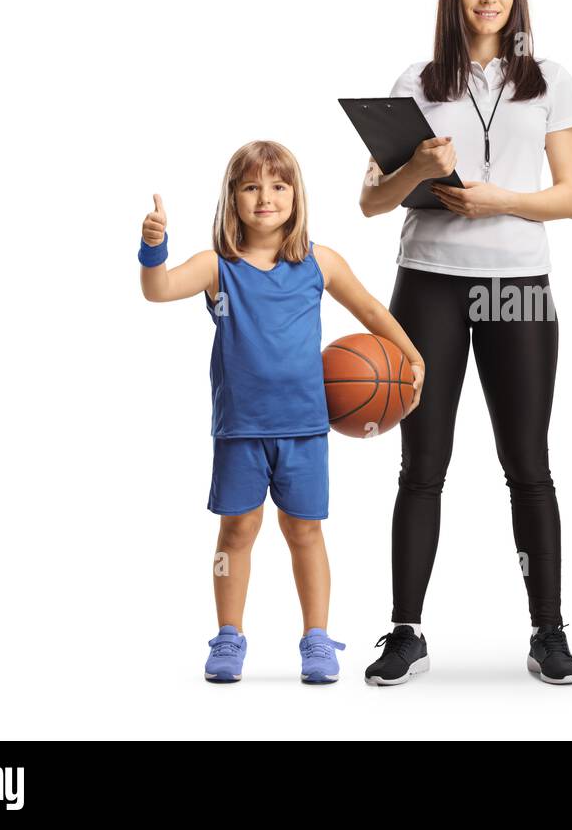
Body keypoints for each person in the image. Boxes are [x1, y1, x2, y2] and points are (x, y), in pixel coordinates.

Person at [357, 0, 572, 685]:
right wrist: (418, 166)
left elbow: (570, 198)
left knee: (529, 464)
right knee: (421, 466)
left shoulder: (548, 79)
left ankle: (548, 632)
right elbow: (369, 200)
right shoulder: (415, 80)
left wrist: (499, 201)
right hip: (428, 281)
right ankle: (404, 632)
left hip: (516, 281)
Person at [139, 140, 424, 684]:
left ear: (296, 196)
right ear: (232, 198)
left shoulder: (319, 261)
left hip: (305, 430)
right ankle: (228, 636)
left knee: (305, 533)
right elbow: (158, 290)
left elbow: (369, 309)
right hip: (240, 430)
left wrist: (412, 356)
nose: (264, 197)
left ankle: (316, 639)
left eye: (277, 186)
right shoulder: (215, 266)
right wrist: (154, 247)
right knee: (236, 534)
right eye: (250, 186)